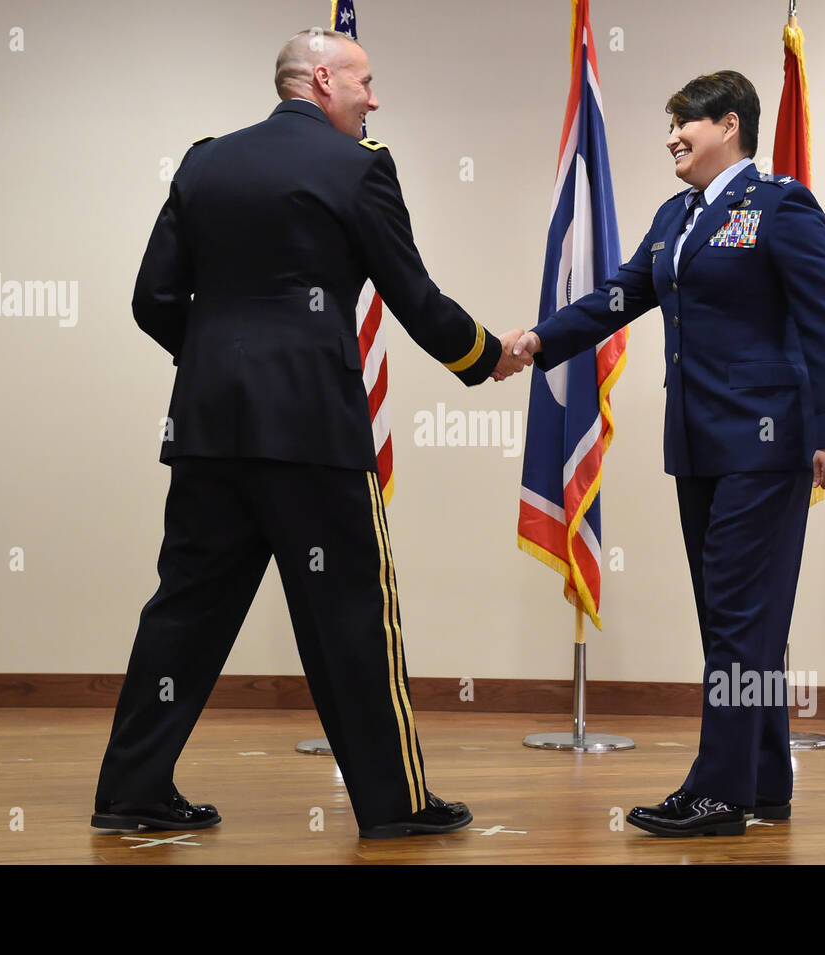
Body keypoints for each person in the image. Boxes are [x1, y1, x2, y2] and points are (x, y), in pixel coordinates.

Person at [92, 28, 529, 839]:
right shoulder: (360, 167)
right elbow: (413, 293)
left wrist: (225, 358)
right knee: (352, 613)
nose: (375, 99)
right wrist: (485, 354)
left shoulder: (204, 161)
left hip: (209, 430)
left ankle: (130, 790)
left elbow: (152, 299)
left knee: (182, 613)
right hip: (314, 433)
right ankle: (394, 806)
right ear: (323, 80)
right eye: (366, 83)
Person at [513, 70, 825, 837]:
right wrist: (538, 341)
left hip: (767, 446)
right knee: (735, 620)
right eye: (670, 124)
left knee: (738, 620)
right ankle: (764, 780)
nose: (672, 136)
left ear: (728, 124)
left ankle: (718, 791)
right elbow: (618, 296)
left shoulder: (781, 205)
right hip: (698, 448)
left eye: (685, 123)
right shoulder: (677, 216)